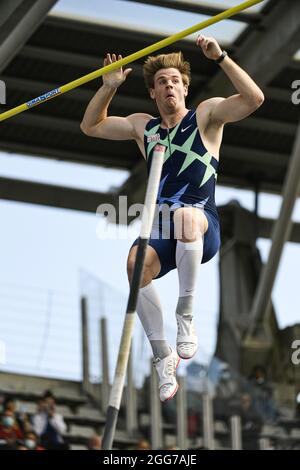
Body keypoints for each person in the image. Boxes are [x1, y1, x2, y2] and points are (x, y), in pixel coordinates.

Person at [81, 34, 264, 402]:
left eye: (175, 81)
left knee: (185, 217)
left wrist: (222, 57)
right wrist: (109, 87)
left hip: (201, 225)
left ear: (185, 88)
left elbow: (254, 99)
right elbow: (92, 126)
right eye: (162, 81)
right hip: (163, 227)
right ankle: (163, 355)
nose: (169, 86)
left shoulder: (207, 115)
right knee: (135, 265)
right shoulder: (143, 127)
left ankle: (186, 314)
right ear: (152, 92)